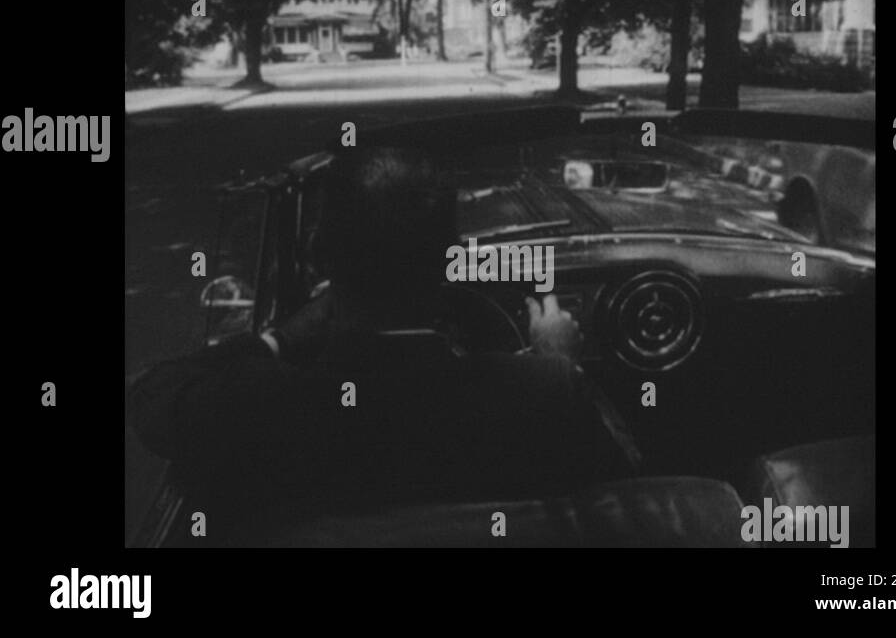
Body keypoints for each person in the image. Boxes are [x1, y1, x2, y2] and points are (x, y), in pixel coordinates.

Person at [126, 146, 639, 538]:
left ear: (320, 255)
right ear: (450, 261)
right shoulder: (540, 395)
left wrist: (279, 339)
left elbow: (151, 393)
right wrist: (557, 366)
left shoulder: (254, 410)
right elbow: (625, 499)